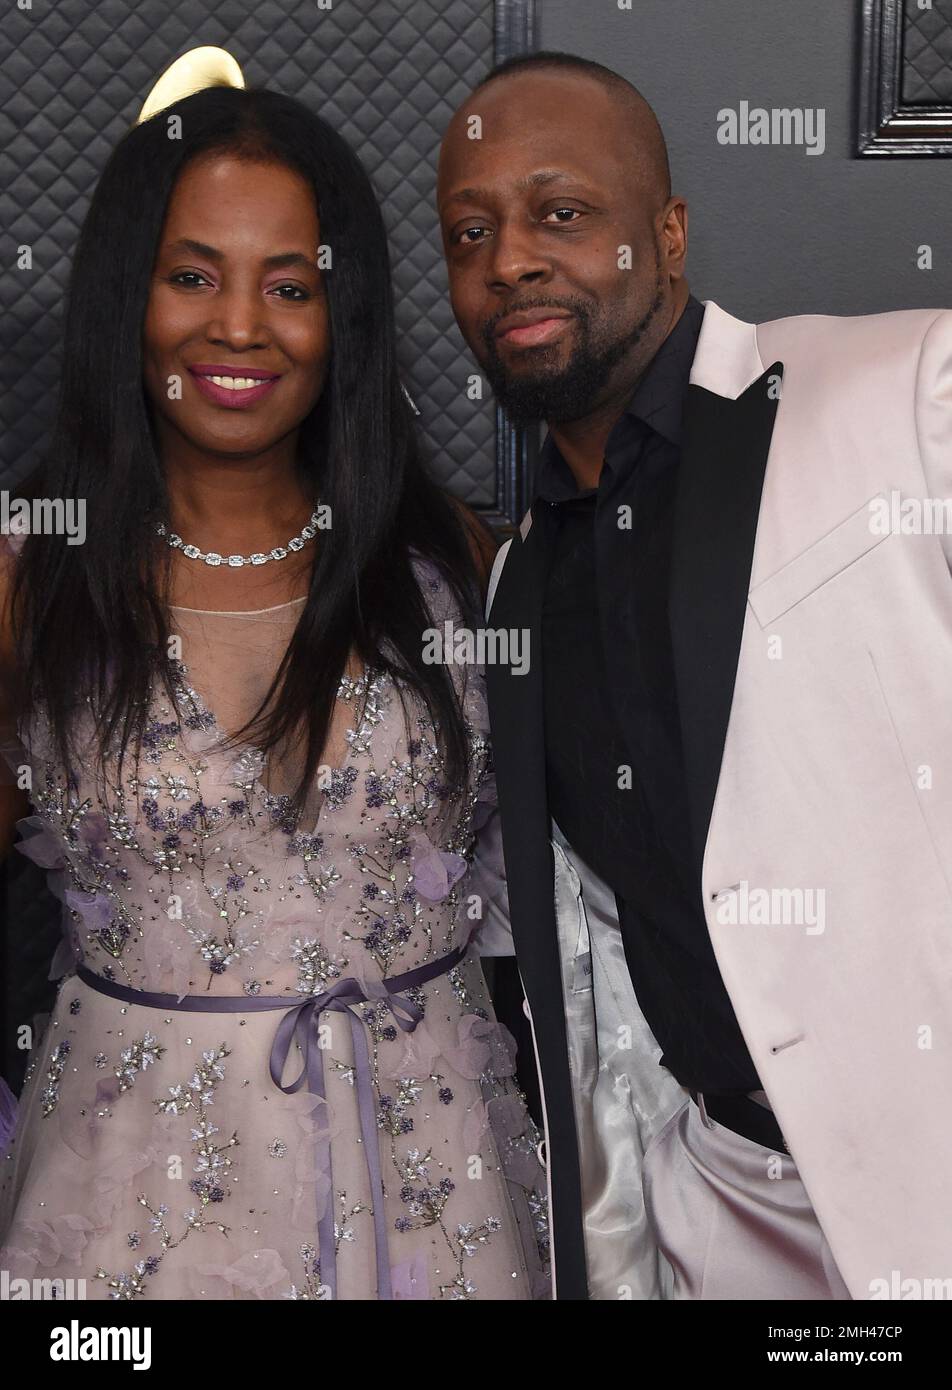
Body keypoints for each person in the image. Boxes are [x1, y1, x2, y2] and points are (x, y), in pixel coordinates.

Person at [0, 53, 550, 1302]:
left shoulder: (457, 564)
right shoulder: (31, 577)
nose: (238, 326)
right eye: (191, 275)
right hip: (124, 1214)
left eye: (288, 285)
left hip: (437, 1188)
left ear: (340, 316)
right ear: (121, 299)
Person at [436, 49, 952, 1301]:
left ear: (666, 234)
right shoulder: (511, 590)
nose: (508, 259)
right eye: (469, 232)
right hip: (721, 1213)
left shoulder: (905, 388)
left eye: (560, 214)